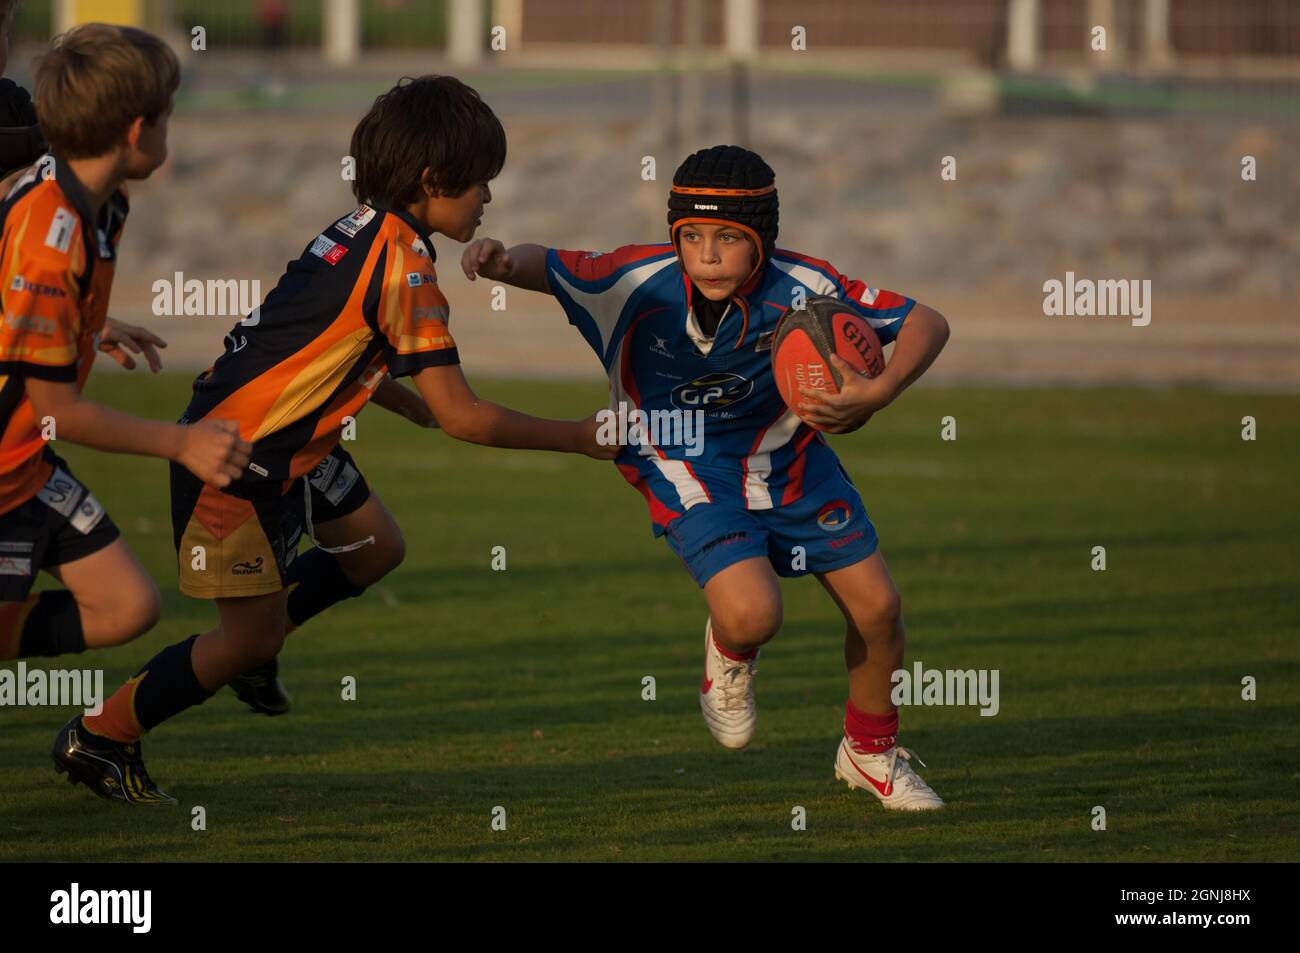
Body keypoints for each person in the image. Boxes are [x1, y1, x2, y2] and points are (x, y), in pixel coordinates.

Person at [57, 75, 615, 805]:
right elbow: (465, 416)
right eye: (481, 179)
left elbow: (314, 339)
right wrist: (577, 435)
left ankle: (261, 643)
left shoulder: (359, 228)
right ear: (432, 180)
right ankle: (101, 734)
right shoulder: (406, 266)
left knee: (375, 547)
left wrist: (401, 400)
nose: (488, 196)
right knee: (245, 637)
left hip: (290, 444)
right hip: (238, 458)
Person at [461, 144, 952, 810]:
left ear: (762, 239)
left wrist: (879, 389)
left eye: (728, 238)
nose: (708, 255)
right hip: (681, 461)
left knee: (880, 610)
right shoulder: (633, 280)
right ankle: (730, 654)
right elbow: (547, 265)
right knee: (753, 614)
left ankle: (870, 754)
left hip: (792, 462)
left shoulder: (807, 286)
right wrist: (499, 262)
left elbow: (926, 321)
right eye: (691, 236)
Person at [1, 24, 249, 670]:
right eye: (168, 117)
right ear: (138, 130)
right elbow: (60, 411)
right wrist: (183, 443)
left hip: (28, 465)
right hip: (4, 470)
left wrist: (88, 326)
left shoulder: (98, 199)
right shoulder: (52, 235)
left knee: (128, 606)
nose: (171, 132)